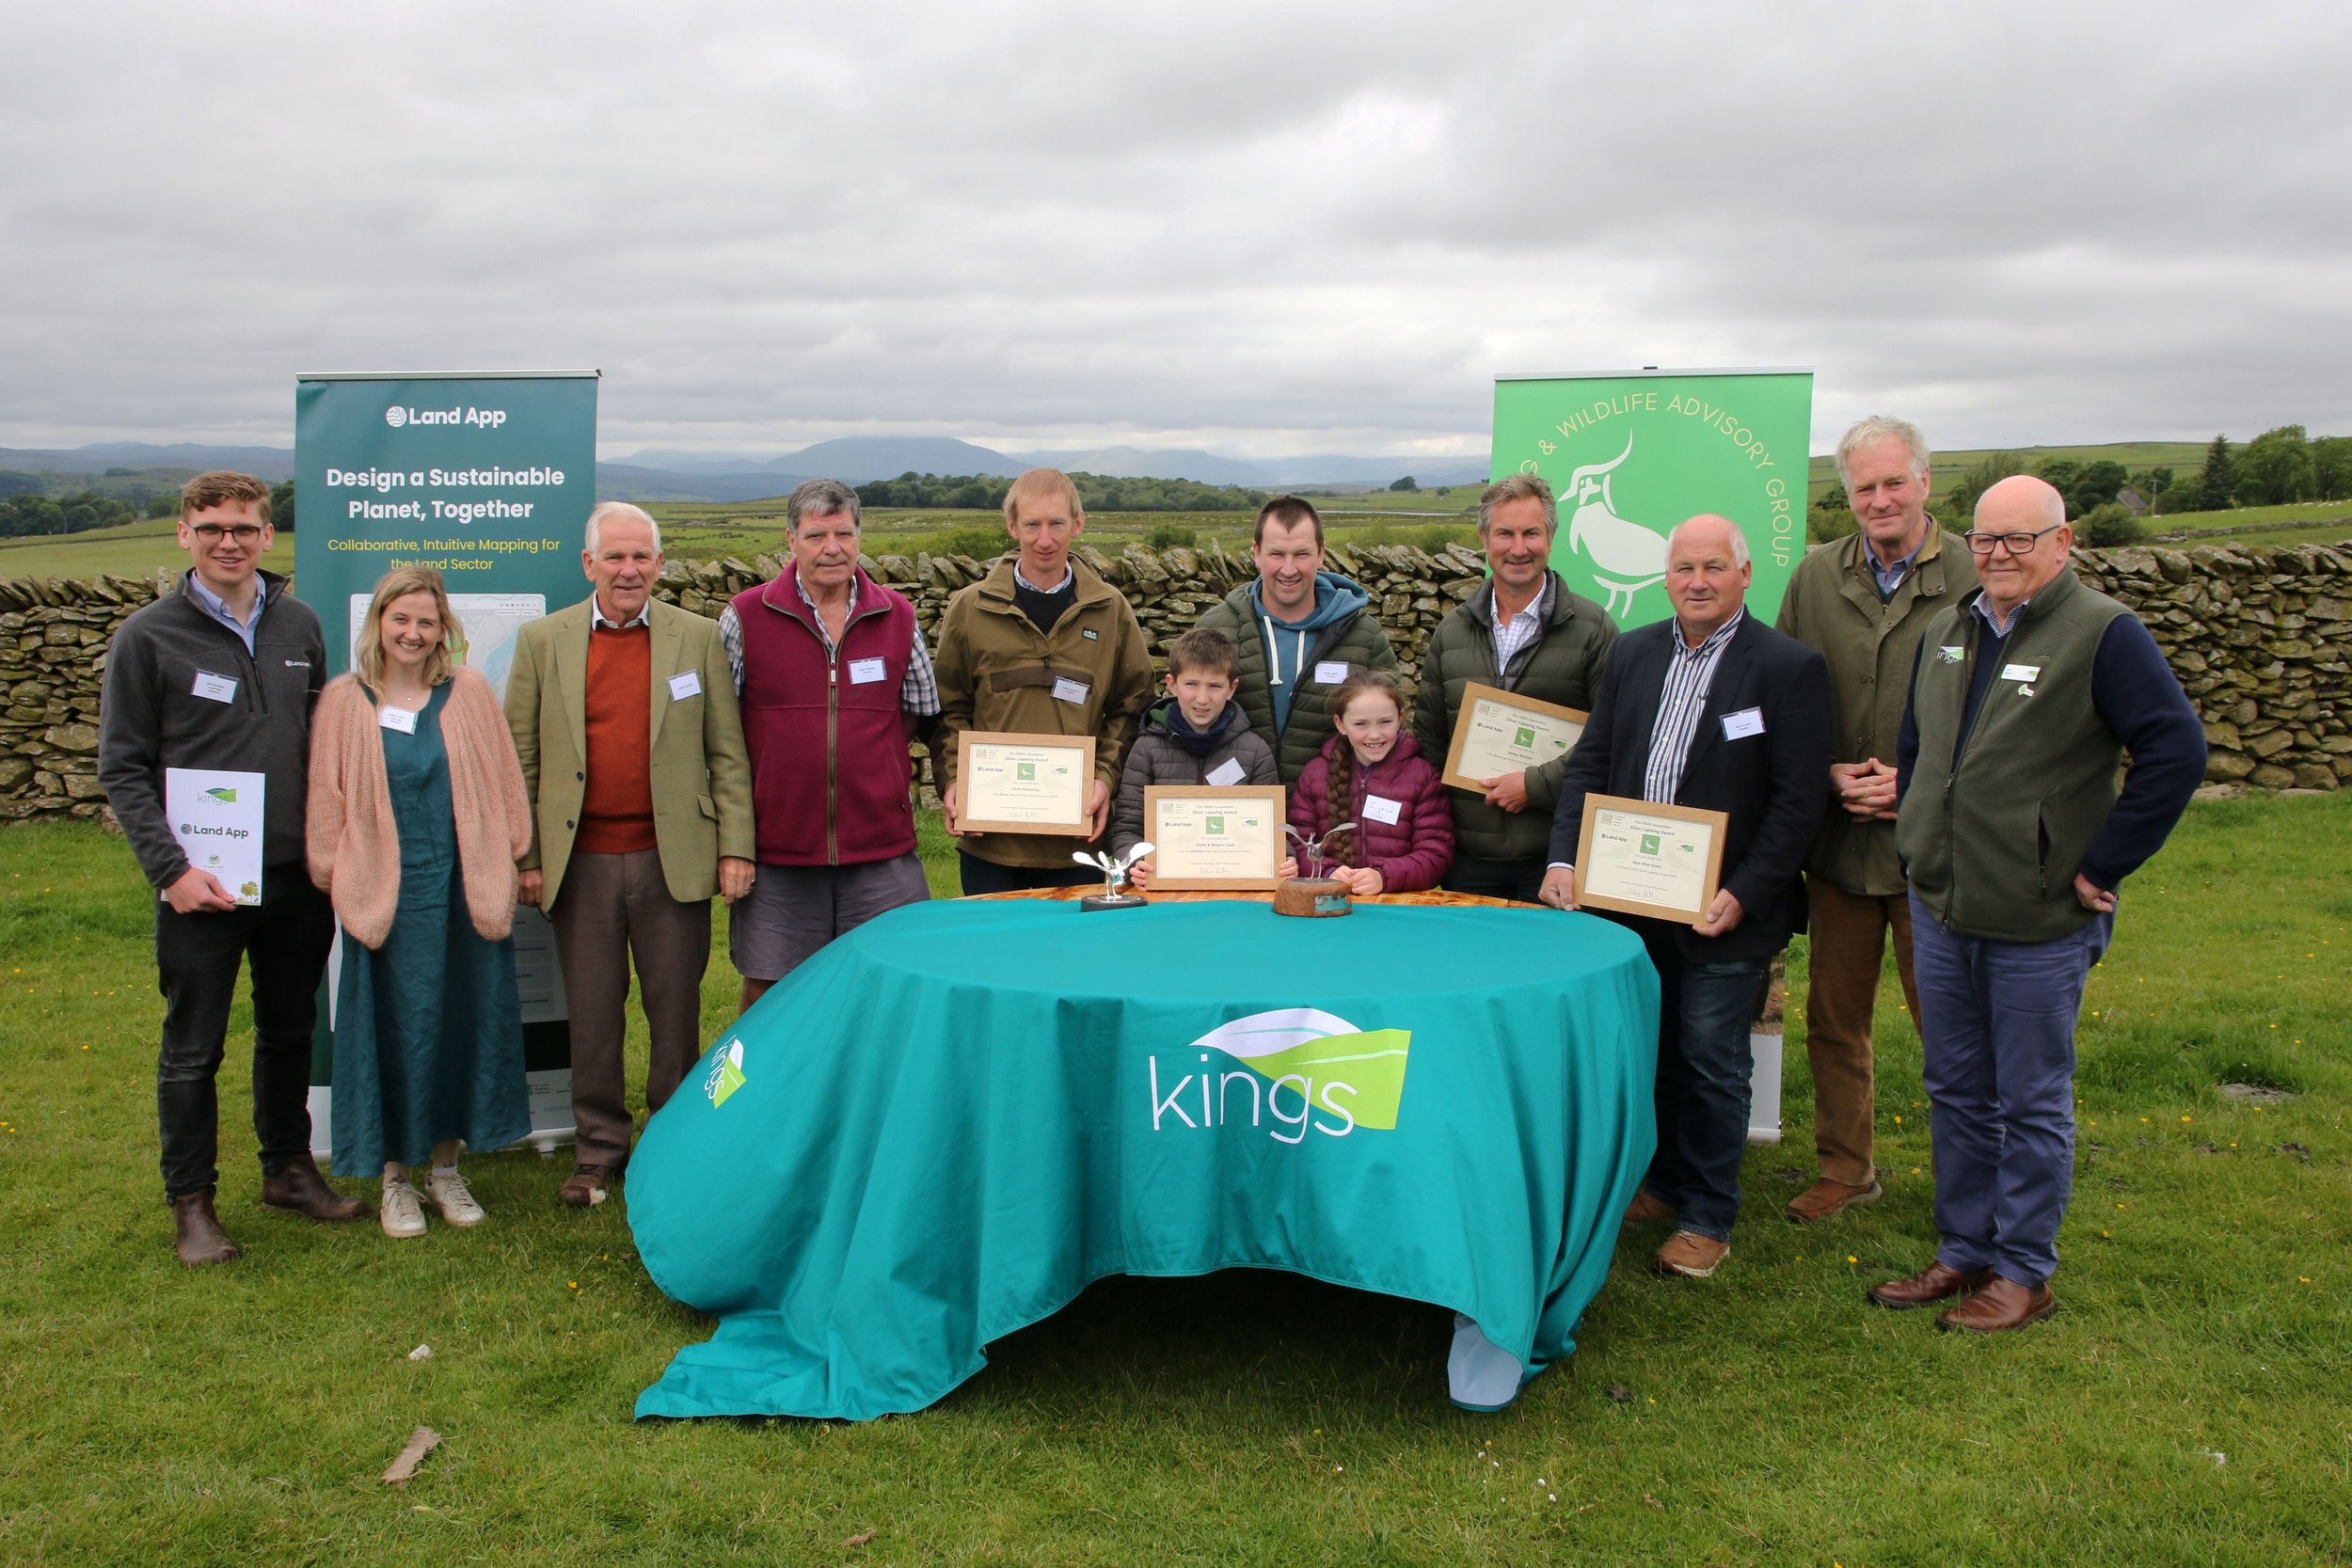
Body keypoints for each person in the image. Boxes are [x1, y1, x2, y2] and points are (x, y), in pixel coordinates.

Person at [1872, 475, 2204, 1331]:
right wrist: (1916, 832)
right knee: (1955, 1086)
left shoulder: (2102, 633)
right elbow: (1919, 743)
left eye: (2021, 539)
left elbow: (2175, 750)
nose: (2000, 556)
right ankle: (1964, 1249)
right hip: (1943, 901)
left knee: (2029, 1098)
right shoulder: (1948, 629)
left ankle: (2024, 1271)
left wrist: (2104, 862)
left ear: (2062, 543)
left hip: (2039, 916)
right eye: (1986, 540)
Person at [1539, 515, 1832, 1280]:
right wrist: (1565, 855)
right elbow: (1591, 760)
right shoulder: (1634, 652)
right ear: (1664, 577)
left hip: (1724, 909)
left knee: (1711, 1058)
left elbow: (1798, 802)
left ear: (1744, 574)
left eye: (1712, 567)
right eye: (1682, 568)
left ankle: (1708, 1213)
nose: (1696, 581)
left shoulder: (1787, 667)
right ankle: (1665, 1181)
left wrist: (1745, 890)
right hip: (1633, 899)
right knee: (1656, 1046)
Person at [97, 470, 365, 1264]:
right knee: (193, 1047)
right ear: (185, 533)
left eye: (244, 527)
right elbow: (122, 767)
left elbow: (323, 745)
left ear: (266, 535)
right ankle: (193, 1203)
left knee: (288, 1031)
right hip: (199, 885)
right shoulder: (148, 636)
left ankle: (287, 1168)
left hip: (291, 877)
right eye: (212, 526)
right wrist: (170, 870)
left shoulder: (302, 626)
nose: (228, 541)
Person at [504, 501, 755, 1209]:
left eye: (641, 556)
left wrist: (735, 845)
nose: (628, 569)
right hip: (577, 861)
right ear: (588, 564)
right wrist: (526, 855)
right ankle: (600, 1151)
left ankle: (671, 1145)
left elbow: (726, 753)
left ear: (659, 563)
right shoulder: (540, 642)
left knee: (674, 1011)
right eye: (614, 556)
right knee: (592, 1013)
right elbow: (519, 758)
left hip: (671, 857)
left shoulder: (697, 638)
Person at [1772, 417, 1979, 1224]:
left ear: (1927, 483)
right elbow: (1785, 693)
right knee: (1834, 1017)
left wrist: (1921, 783)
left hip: (1942, 846)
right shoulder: (1816, 575)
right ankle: (1847, 1168)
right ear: (1847, 494)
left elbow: (2002, 713)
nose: (1881, 499)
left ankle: (1970, 1182)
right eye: (1865, 486)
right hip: (1840, 844)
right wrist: (1821, 771)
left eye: (1896, 482)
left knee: (1952, 1025)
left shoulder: (1973, 568)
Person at [306, 567, 534, 1237]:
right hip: (389, 899)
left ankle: (444, 1170)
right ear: (378, 621)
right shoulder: (346, 700)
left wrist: (513, 850)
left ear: (444, 629)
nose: (413, 632)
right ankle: (394, 1180)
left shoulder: (465, 692)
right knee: (397, 1030)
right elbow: (327, 802)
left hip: (466, 891)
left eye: (426, 621)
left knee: (460, 1024)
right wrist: (338, 872)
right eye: (400, 618)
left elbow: (502, 779)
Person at [718, 479, 940, 1011]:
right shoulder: (744, 617)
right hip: (778, 849)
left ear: (859, 535)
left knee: (890, 987)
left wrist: (871, 767)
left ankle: (868, 1094)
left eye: (843, 533)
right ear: (791, 539)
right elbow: (720, 729)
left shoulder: (898, 617)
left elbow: (921, 711)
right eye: (816, 535)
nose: (832, 548)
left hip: (879, 849)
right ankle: (763, 1095)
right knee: (770, 991)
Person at [932, 467, 1155, 894]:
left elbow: (1133, 707)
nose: (1045, 539)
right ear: (1012, 526)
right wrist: (955, 779)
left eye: (1056, 523)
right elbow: (949, 707)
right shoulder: (970, 609)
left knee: (1075, 960)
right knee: (993, 957)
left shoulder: (1110, 610)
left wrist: (1104, 778)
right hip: (990, 845)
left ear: (1078, 523)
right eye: (1032, 524)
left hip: (1080, 844)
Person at [1413, 473, 1618, 903]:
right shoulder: (1451, 631)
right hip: (1467, 856)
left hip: (1555, 855)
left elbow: (1612, 737)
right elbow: (1432, 738)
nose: (1519, 548)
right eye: (1505, 533)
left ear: (1550, 538)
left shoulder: (1594, 628)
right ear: (1485, 538)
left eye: (1531, 533)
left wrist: (1536, 785)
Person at [1193, 496, 1399, 783]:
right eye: (1276, 554)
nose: (1288, 569)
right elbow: (1184, 723)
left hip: (1332, 811)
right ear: (1256, 553)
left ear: (1320, 554)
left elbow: (1394, 737)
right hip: (1236, 811)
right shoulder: (1214, 629)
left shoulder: (1364, 635)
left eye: (1301, 554)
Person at [1110, 627, 1289, 887]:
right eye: (1191, 684)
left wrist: (1286, 858)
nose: (1202, 698)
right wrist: (1134, 863)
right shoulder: (1146, 748)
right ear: (1172, 684)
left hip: (1235, 891)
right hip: (1163, 890)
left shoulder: (1255, 751)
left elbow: (1275, 832)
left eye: (1215, 686)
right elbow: (1127, 827)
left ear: (1231, 688)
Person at [1287, 670, 1453, 895]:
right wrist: (1327, 873)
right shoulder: (1315, 775)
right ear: (1340, 724)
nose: (1374, 735)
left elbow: (1435, 854)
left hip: (1395, 905)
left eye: (1385, 722)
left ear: (1401, 718)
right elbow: (1298, 843)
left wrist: (1384, 877)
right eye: (1361, 724)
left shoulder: (1422, 777)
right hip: (1328, 902)